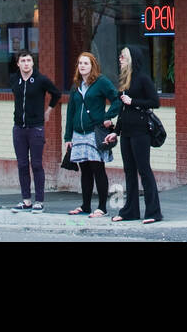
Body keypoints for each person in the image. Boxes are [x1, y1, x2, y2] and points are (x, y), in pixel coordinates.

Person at [63, 51, 120, 218]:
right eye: (80, 63)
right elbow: (70, 111)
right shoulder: (76, 85)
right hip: (78, 133)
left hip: (94, 132)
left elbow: (116, 99)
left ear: (92, 66)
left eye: (86, 63)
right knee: (85, 170)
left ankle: (102, 207)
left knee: (98, 169)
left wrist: (108, 117)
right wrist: (68, 137)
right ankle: (85, 205)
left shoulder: (101, 82)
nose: (82, 66)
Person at [111, 44, 162, 223]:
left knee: (144, 170)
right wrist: (115, 132)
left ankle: (153, 212)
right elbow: (122, 110)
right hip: (126, 132)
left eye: (123, 56)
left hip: (141, 132)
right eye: (120, 56)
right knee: (129, 171)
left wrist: (133, 101)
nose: (120, 59)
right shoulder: (124, 80)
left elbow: (155, 102)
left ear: (131, 59)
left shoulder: (142, 79)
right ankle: (130, 211)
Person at [11, 49, 60, 211]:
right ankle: (26, 200)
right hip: (19, 128)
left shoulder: (40, 80)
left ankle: (39, 200)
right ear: (18, 63)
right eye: (23, 61)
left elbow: (56, 94)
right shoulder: (14, 79)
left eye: (29, 61)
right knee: (22, 164)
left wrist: (48, 110)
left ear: (33, 63)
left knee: (36, 164)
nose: (26, 64)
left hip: (36, 128)